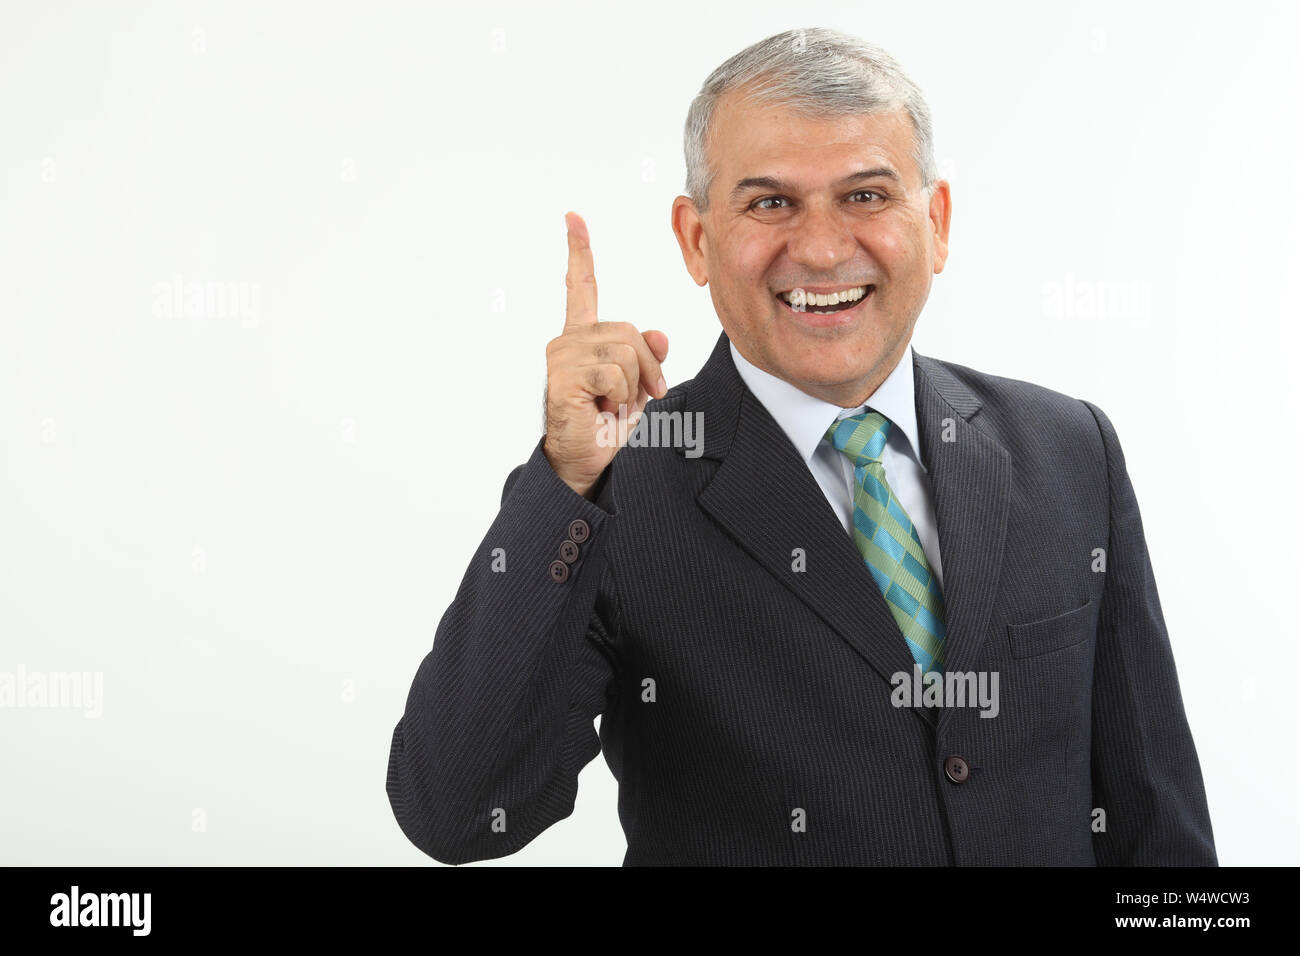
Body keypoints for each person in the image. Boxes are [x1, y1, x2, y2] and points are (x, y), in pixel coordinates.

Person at [385, 27, 1217, 866]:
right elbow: (454, 810)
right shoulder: (613, 495)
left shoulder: (1071, 448)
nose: (821, 250)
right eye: (770, 203)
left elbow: (1160, 835)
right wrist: (566, 480)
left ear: (936, 223)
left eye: (865, 196)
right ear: (697, 240)